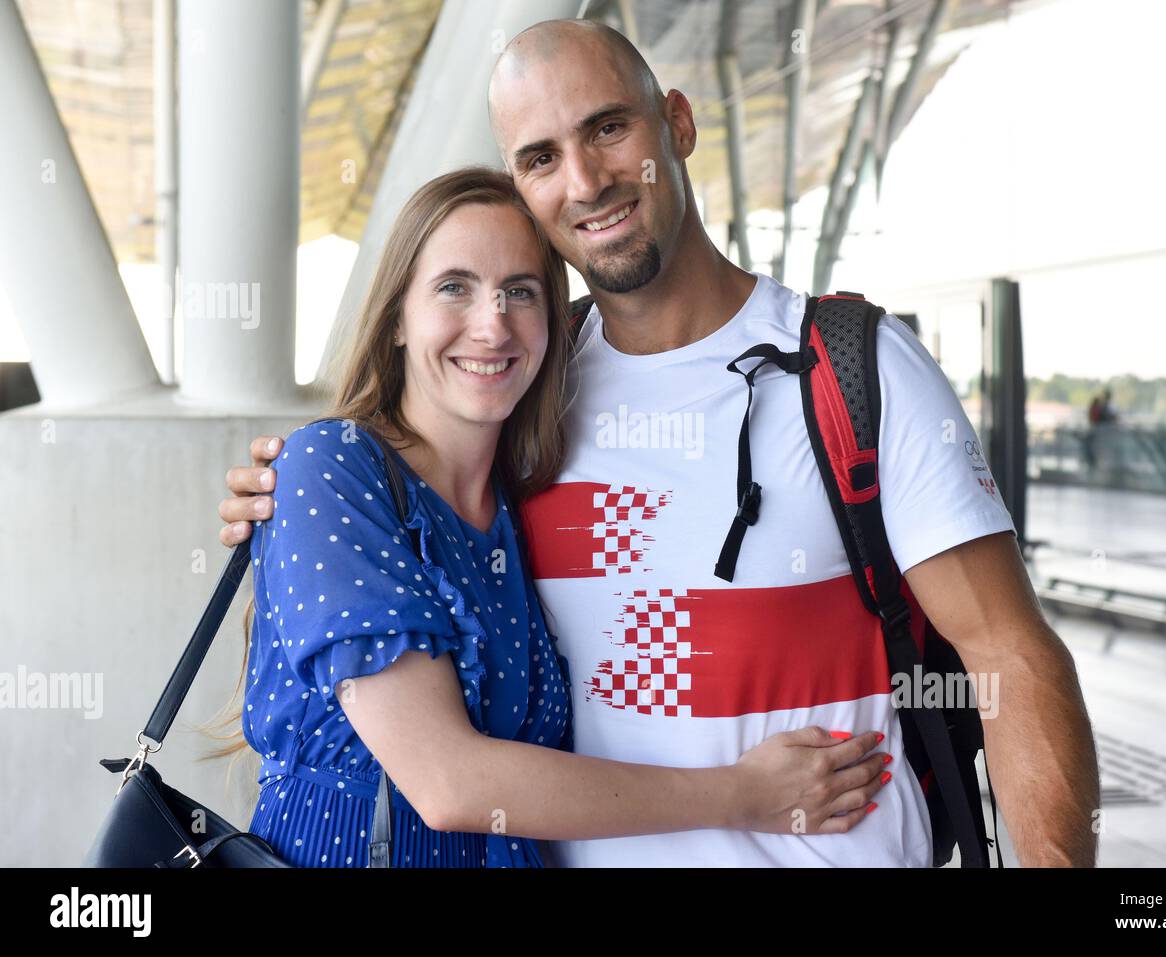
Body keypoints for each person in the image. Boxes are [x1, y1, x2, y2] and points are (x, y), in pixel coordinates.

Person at [220, 20, 1099, 867]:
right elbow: (440, 732)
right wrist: (295, 487)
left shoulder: (849, 369)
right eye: (541, 157)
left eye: (608, 127)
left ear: (675, 123)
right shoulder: (526, 391)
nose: (587, 179)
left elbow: (1009, 656)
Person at [220, 167, 890, 868]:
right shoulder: (332, 467)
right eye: (455, 287)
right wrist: (743, 795)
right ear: (395, 318)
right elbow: (448, 782)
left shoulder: (520, 503)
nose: (492, 323)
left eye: (521, 291)